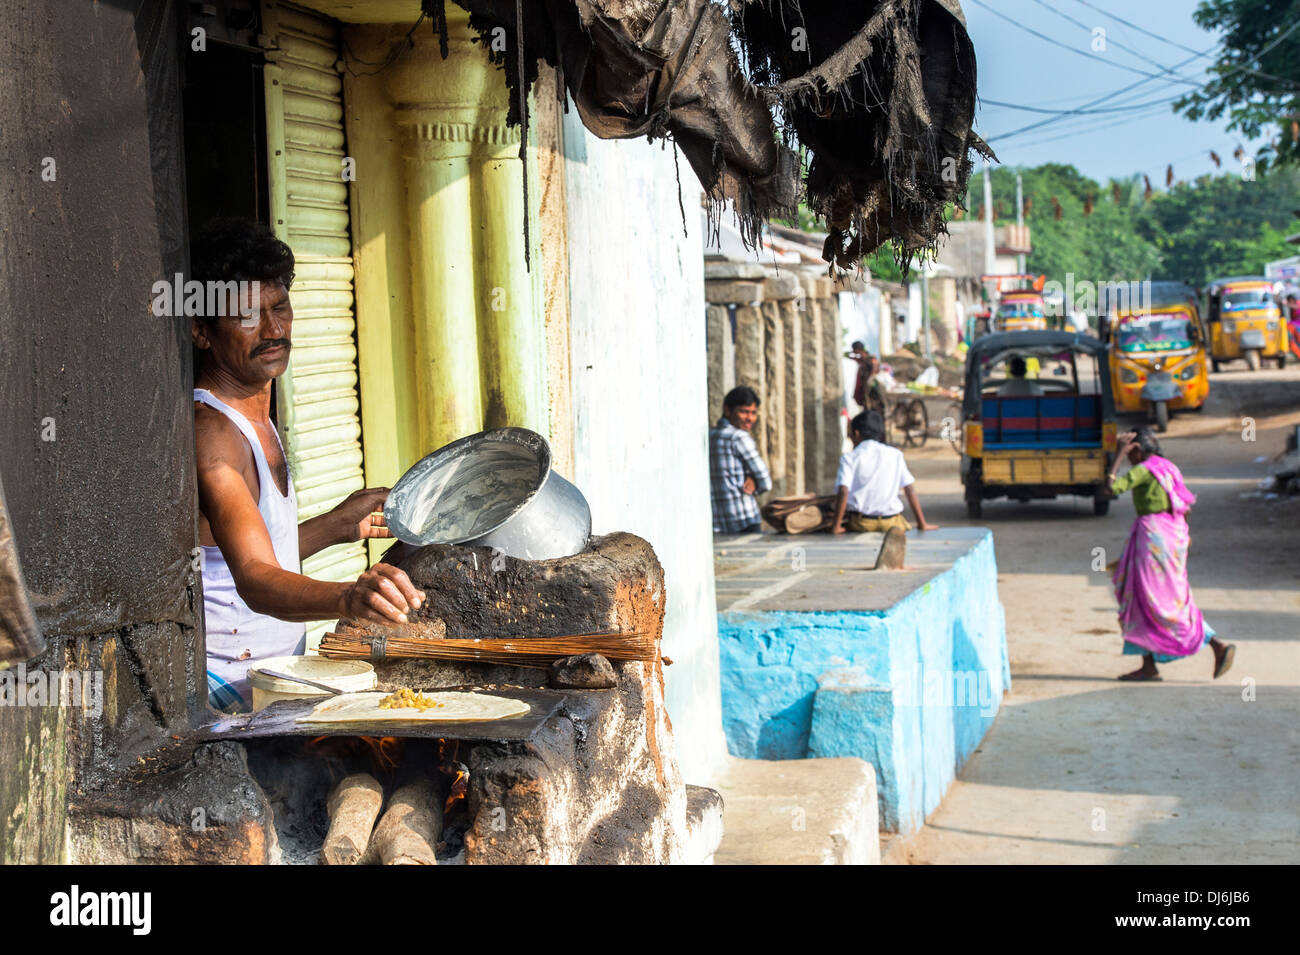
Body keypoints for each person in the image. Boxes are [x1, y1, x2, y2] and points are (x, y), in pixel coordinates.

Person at [190, 217, 426, 712]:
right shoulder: (214, 431)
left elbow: (244, 551)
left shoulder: (257, 415)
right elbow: (253, 576)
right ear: (201, 330)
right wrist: (346, 597)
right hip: (229, 691)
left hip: (273, 675)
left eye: (280, 308)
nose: (273, 329)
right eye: (248, 316)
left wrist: (337, 525)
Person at [1107, 427, 1234, 682]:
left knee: (1148, 600)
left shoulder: (1143, 470)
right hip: (1172, 536)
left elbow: (1110, 488)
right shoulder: (1168, 467)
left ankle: (1213, 645)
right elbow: (1184, 506)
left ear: (1138, 450)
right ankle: (1151, 664)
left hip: (1152, 539)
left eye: (1132, 452)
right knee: (1166, 598)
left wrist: (1118, 454)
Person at [831, 410, 938, 534]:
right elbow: (909, 489)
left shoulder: (850, 458)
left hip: (862, 523)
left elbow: (843, 491)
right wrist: (922, 524)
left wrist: (836, 526)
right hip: (892, 522)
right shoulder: (895, 455)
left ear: (856, 433)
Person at [709, 386, 772, 534]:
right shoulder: (739, 437)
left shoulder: (709, 435)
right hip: (744, 518)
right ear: (728, 410)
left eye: (753, 413)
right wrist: (756, 483)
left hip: (717, 522)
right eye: (744, 412)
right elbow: (765, 480)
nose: (750, 418)